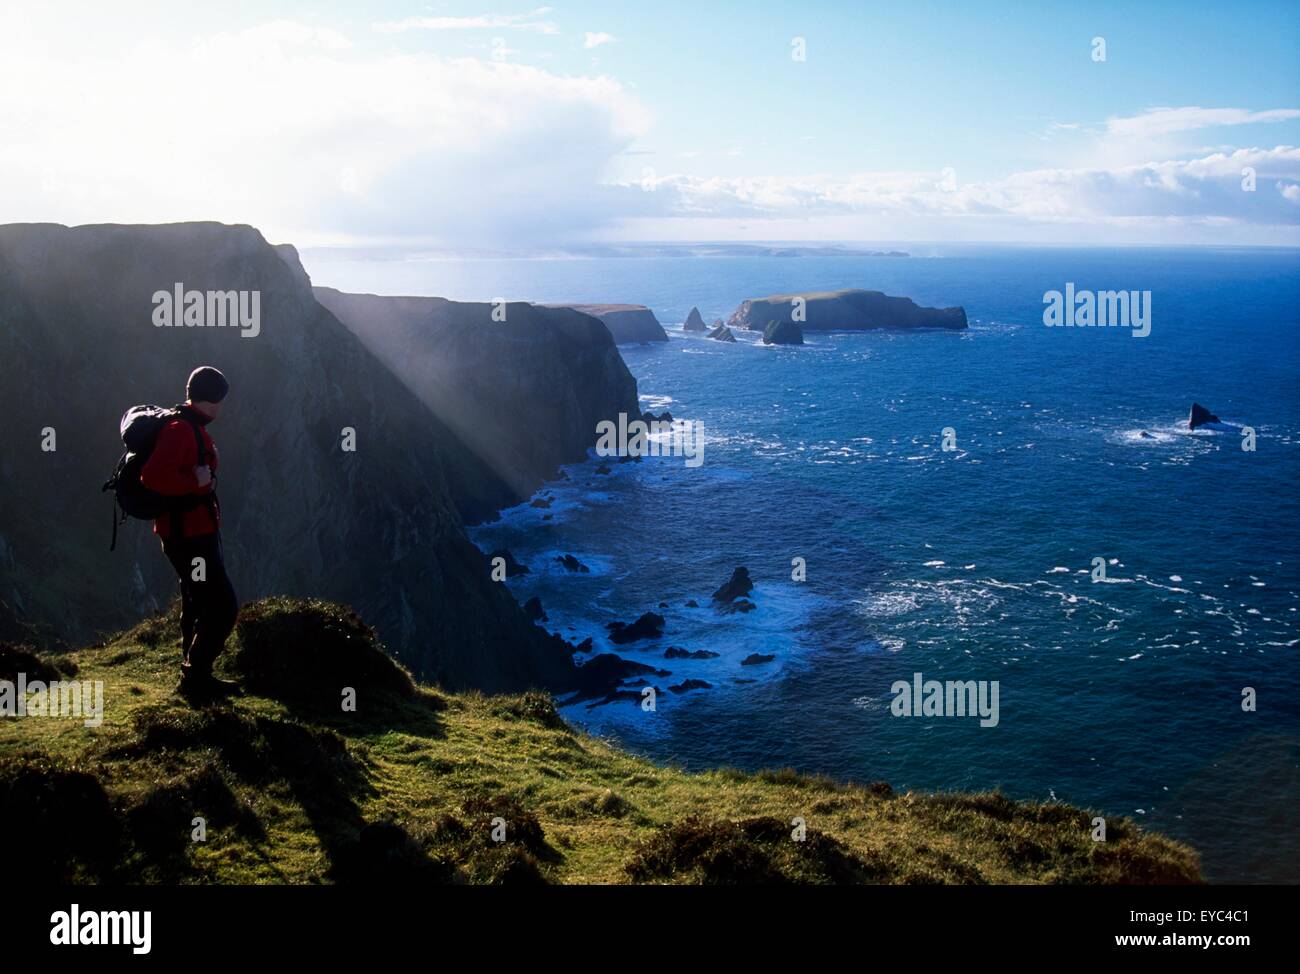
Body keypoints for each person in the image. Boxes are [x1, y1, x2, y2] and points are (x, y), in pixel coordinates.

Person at [140, 366, 239, 700]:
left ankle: (194, 674)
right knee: (223, 606)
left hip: (190, 532)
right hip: (189, 536)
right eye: (220, 400)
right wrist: (193, 484)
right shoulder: (181, 429)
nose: (222, 408)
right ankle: (195, 676)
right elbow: (152, 477)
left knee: (198, 602)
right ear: (211, 399)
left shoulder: (188, 425)